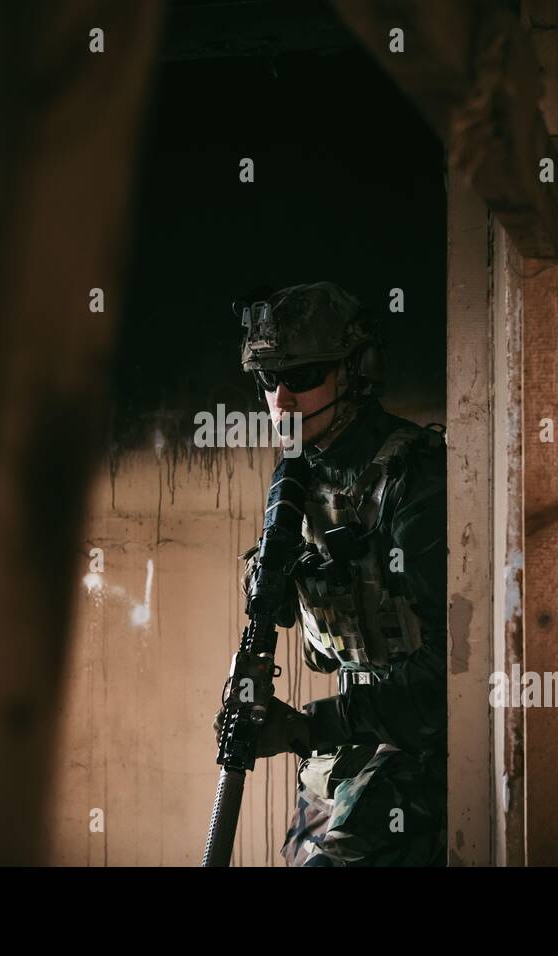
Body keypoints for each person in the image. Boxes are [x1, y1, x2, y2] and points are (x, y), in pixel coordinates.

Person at [227, 281, 448, 866]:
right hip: (349, 748)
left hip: (424, 752)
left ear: (355, 372)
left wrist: (303, 728)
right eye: (267, 380)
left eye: (300, 378)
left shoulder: (415, 478)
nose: (280, 400)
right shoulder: (302, 478)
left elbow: (449, 679)